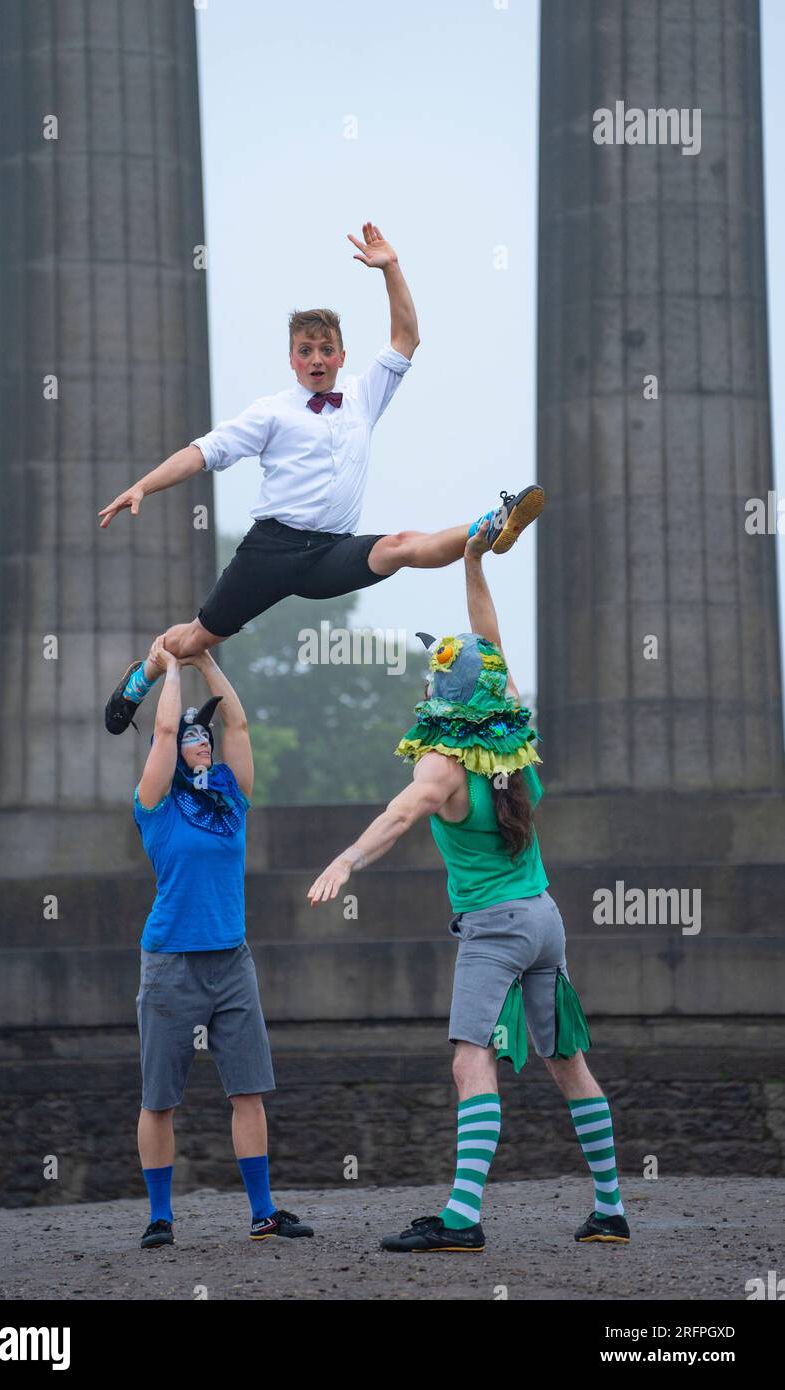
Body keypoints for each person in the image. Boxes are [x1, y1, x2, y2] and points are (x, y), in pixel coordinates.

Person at [307, 519, 629, 1252]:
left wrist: (347, 861)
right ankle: (610, 1207)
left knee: (469, 1059)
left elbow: (397, 817)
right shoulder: (514, 731)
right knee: (565, 1060)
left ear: (437, 695)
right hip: (545, 919)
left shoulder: (442, 767)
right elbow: (492, 642)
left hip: (494, 928)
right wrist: (474, 561)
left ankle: (460, 1220)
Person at [99, 219, 544, 734]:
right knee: (196, 641)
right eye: (306, 351)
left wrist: (391, 268)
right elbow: (202, 453)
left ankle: (491, 523)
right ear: (291, 359)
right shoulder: (272, 412)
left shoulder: (362, 395)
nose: (316, 359)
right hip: (270, 551)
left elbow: (407, 337)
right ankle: (145, 673)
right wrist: (142, 485)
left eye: (325, 350)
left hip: (330, 552)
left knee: (398, 545)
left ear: (341, 356)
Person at [134, 637, 312, 1248]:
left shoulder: (233, 793)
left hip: (232, 959)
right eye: (192, 736)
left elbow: (235, 718)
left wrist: (205, 653)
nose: (201, 739)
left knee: (249, 1090)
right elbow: (161, 732)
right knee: (160, 1099)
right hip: (171, 962)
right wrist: (172, 665)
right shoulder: (156, 805)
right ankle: (161, 1217)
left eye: (202, 736)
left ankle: (263, 1213)